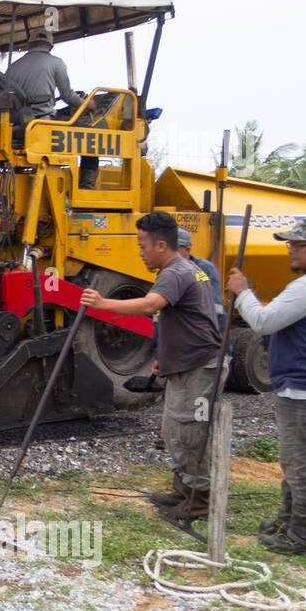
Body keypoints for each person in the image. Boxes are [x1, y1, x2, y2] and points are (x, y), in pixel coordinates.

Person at [81, 211, 222, 522]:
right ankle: (183, 492)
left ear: (160, 245)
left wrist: (103, 304)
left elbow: (150, 305)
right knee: (174, 432)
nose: (140, 253)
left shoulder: (174, 272)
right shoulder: (187, 269)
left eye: (142, 246)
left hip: (200, 367)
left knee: (191, 434)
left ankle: (198, 503)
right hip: (185, 364)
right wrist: (166, 357)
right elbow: (185, 319)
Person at [226, 218, 306, 556]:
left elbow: (263, 321)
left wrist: (242, 292)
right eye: (291, 242)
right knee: (294, 462)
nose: (291, 248)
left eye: (300, 244)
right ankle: (288, 521)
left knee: (300, 467)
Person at [2, 28, 84, 117]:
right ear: (51, 47)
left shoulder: (13, 67)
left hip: (20, 120)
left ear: (29, 45)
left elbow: (5, 95)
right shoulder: (57, 62)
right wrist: (88, 104)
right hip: (43, 119)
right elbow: (67, 95)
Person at [177, 227, 226, 331]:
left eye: (175, 250)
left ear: (187, 250)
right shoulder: (167, 271)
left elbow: (214, 306)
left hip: (207, 335)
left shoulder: (203, 269)